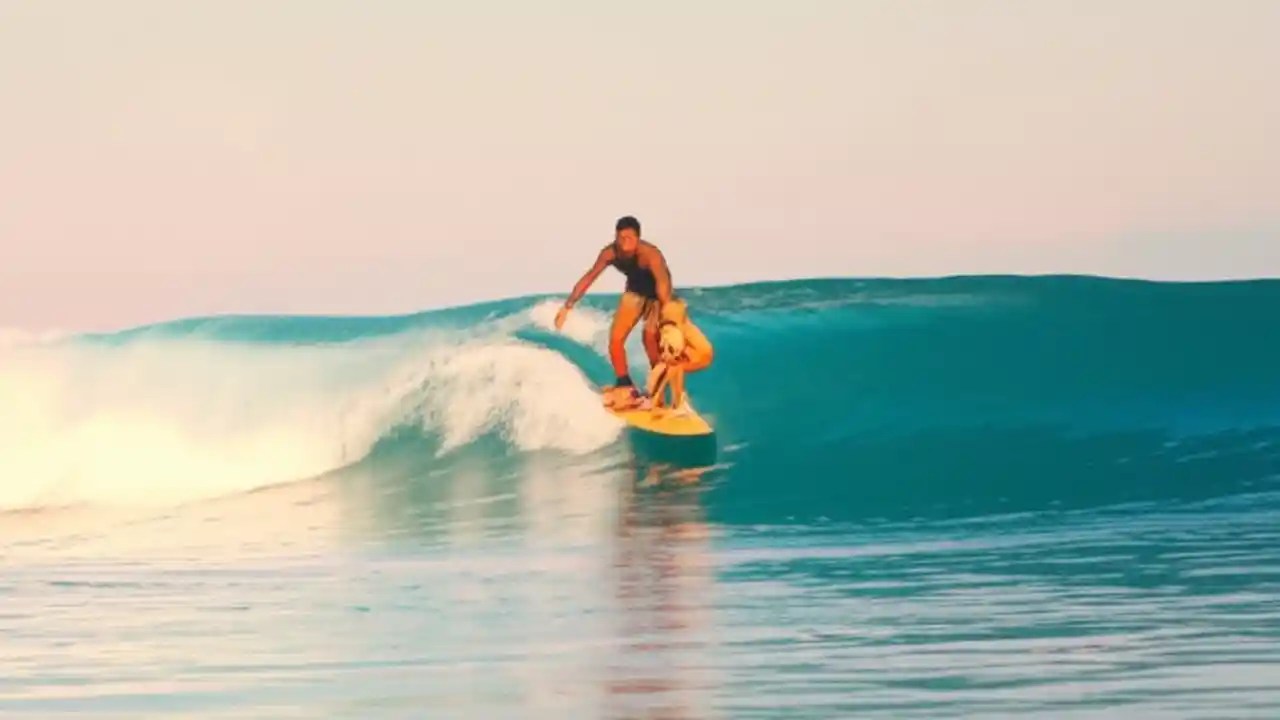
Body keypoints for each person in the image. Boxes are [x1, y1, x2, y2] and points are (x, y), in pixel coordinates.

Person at [555, 215, 674, 409]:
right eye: (621, 238)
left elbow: (663, 282)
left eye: (630, 238)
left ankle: (658, 390)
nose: (625, 242)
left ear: (638, 238)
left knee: (649, 338)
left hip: (658, 296)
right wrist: (567, 306)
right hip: (634, 292)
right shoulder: (610, 253)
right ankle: (626, 386)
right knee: (615, 339)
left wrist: (667, 315)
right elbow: (590, 276)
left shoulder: (650, 254)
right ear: (615, 237)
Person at [645, 298, 714, 416]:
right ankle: (672, 401)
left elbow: (674, 342)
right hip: (703, 352)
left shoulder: (668, 319)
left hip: (699, 354)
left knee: (672, 363)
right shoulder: (674, 310)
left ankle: (676, 405)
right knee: (670, 364)